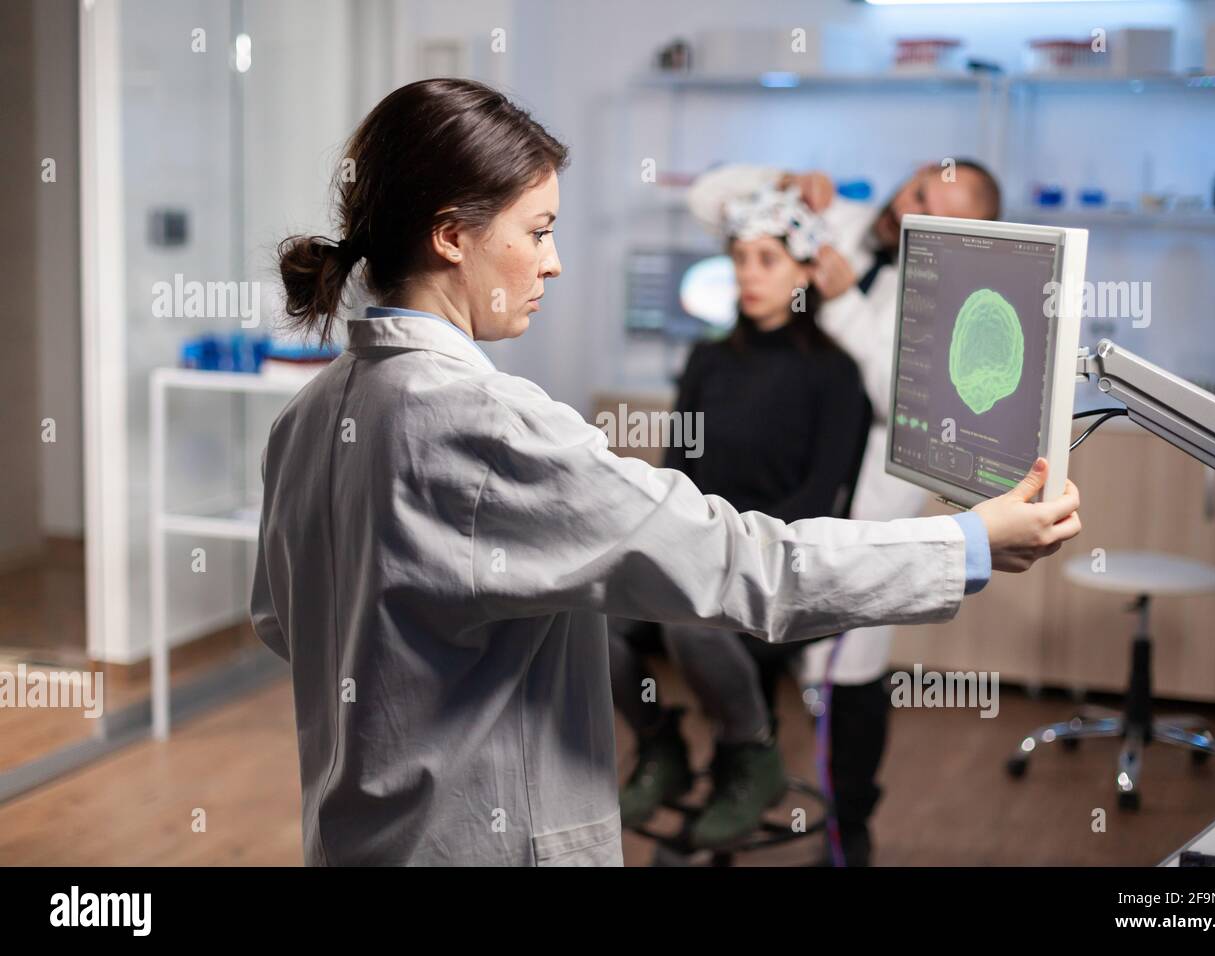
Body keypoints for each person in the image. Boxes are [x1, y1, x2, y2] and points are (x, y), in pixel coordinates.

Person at [251, 78, 1082, 867]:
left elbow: (280, 621)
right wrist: (968, 543)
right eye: (537, 231)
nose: (553, 262)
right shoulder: (490, 426)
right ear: (450, 236)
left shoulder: (310, 413)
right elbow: (746, 566)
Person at [688, 160, 1004, 864]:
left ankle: (846, 831)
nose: (907, 208)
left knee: (845, 679)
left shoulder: (948, 301)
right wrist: (779, 180)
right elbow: (712, 205)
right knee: (749, 645)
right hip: (789, 480)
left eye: (932, 211)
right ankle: (746, 782)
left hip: (865, 507)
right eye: (916, 189)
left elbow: (906, 400)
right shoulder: (842, 220)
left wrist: (840, 303)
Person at [610, 185, 870, 850]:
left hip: (783, 568)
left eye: (767, 259)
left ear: (805, 272)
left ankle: (750, 756)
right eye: (740, 259)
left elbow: (819, 499)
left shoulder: (836, 375)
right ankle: (659, 745)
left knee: (692, 623)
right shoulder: (708, 360)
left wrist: (723, 554)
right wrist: (676, 545)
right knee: (588, 614)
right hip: (697, 553)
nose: (748, 274)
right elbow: (677, 471)